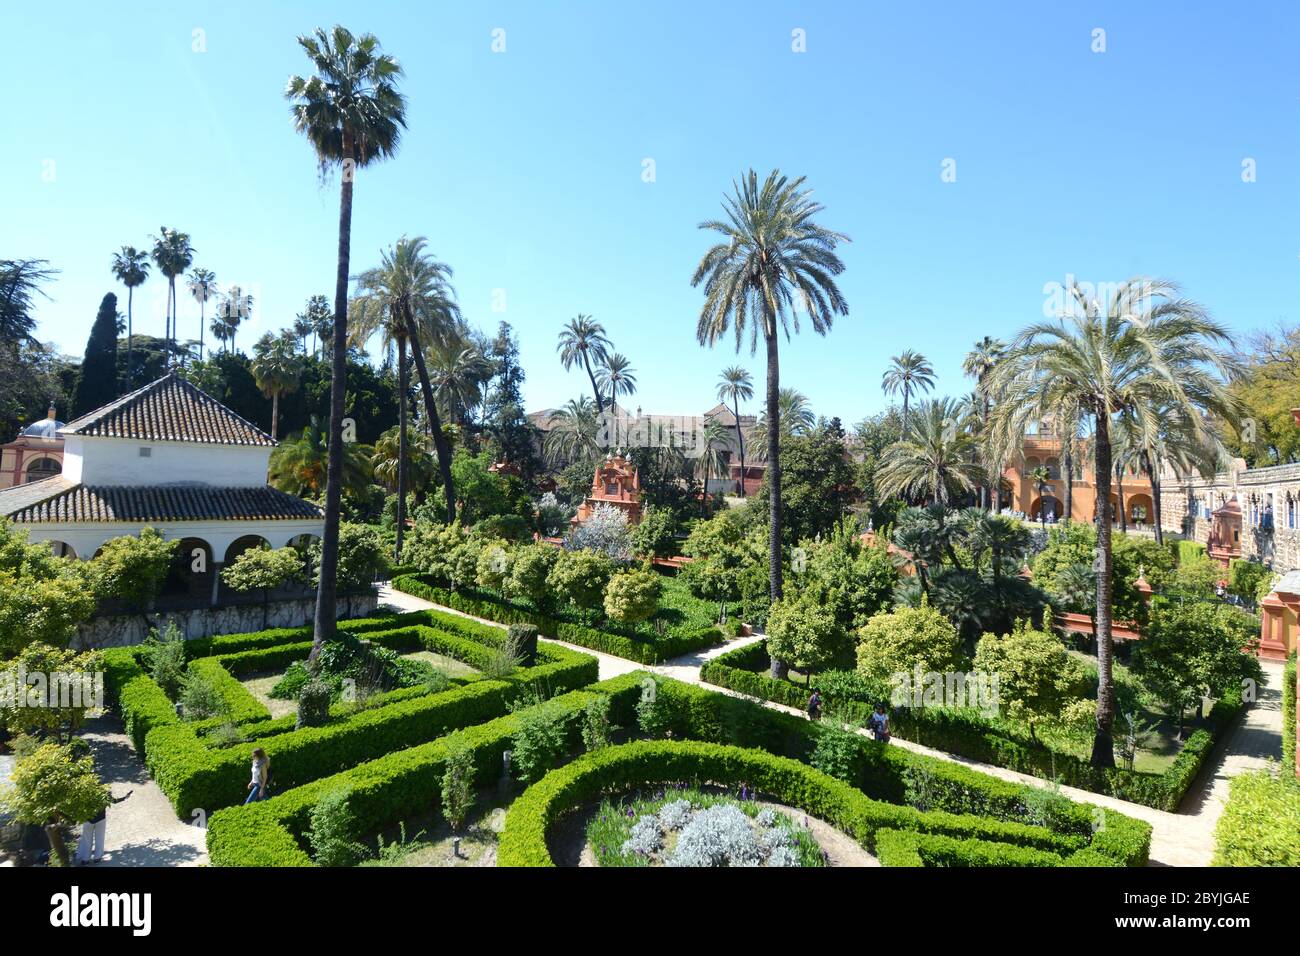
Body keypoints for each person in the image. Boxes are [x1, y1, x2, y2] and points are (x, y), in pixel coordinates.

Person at [75, 789, 132, 865]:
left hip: (88, 820)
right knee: (100, 839)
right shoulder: (104, 793)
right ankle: (97, 858)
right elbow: (114, 801)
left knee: (86, 840)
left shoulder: (85, 792)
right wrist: (125, 797)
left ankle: (85, 859)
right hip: (101, 820)